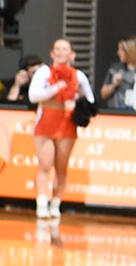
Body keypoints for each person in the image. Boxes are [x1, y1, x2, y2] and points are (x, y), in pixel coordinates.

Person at [28, 38, 92, 219]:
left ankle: (56, 203)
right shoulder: (44, 72)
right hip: (46, 120)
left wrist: (78, 100)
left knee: (61, 167)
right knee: (45, 165)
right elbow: (33, 95)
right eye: (57, 48)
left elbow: (91, 99)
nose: (60, 52)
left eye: (65, 49)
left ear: (72, 54)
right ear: (51, 53)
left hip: (66, 123)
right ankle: (41, 202)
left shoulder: (78, 75)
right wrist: (55, 89)